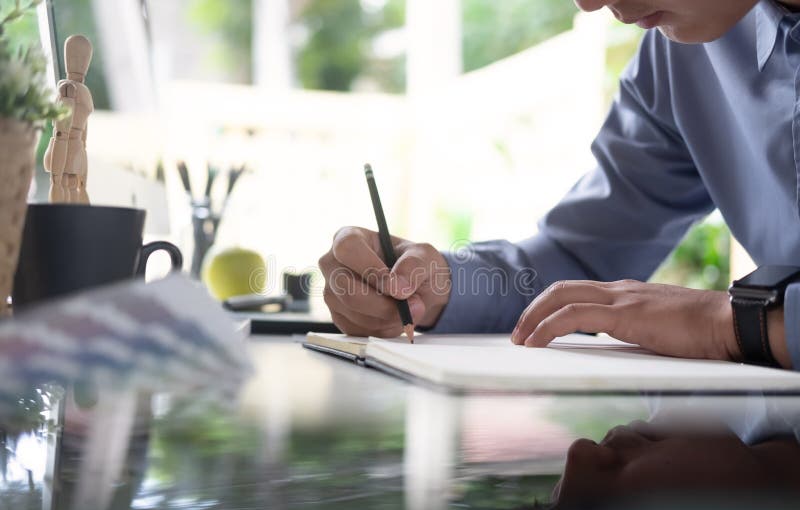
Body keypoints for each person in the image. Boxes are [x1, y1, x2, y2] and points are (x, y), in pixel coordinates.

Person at [318, 0, 800, 370]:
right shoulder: (680, 57)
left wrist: (730, 323)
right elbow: (581, 263)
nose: (588, 3)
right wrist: (436, 285)